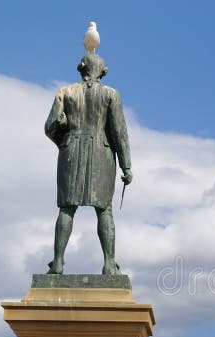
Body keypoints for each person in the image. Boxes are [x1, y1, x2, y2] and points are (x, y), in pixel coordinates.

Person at [44, 52, 132, 275]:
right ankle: (109, 264)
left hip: (70, 150)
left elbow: (49, 127)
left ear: (81, 68)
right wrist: (126, 166)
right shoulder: (110, 94)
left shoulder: (65, 92)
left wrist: (64, 132)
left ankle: (57, 262)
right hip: (100, 153)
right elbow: (119, 132)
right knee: (104, 210)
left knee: (66, 208)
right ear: (102, 70)